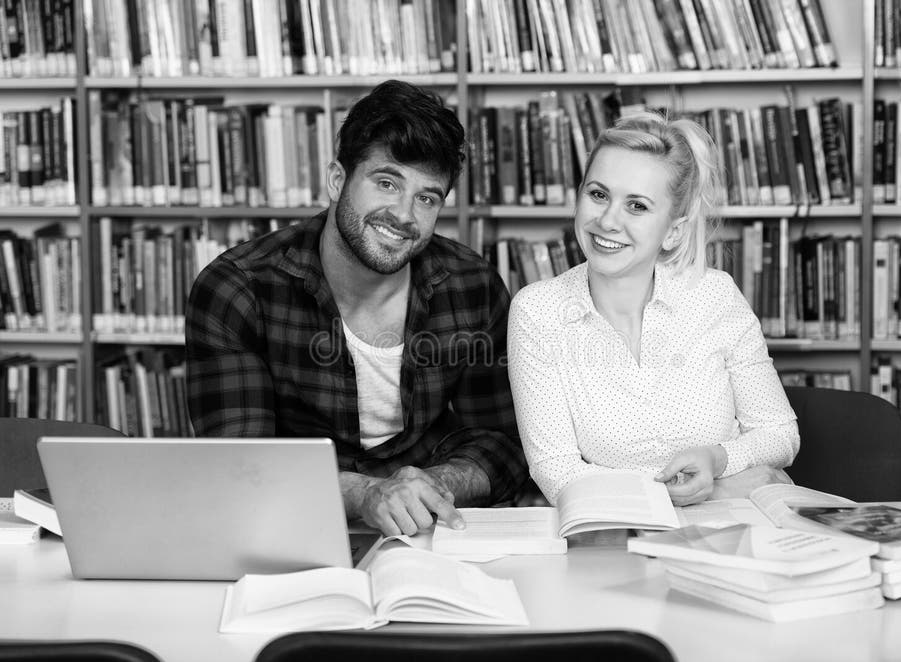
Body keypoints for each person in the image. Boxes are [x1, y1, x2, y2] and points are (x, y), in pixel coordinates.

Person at [185, 80, 526, 536]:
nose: (404, 215)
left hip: (430, 530)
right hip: (288, 529)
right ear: (337, 180)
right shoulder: (237, 289)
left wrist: (433, 484)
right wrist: (364, 494)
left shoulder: (471, 285)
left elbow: (502, 445)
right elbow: (241, 466)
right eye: (387, 182)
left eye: (427, 198)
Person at [507, 111, 799, 507]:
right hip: (617, 533)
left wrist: (717, 459)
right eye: (598, 194)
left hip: (730, 536)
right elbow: (556, 473)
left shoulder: (715, 296)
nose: (607, 221)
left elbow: (780, 435)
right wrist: (716, 488)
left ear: (673, 230)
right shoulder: (538, 312)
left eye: (637, 206)